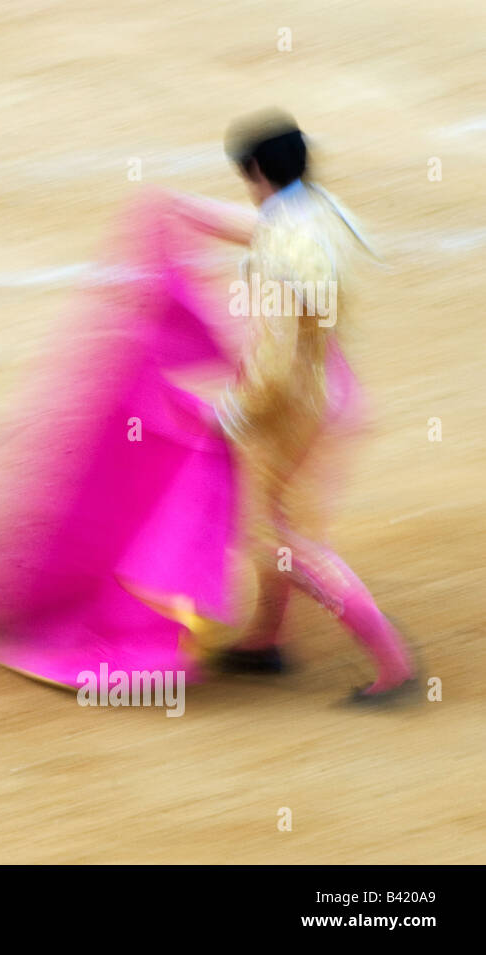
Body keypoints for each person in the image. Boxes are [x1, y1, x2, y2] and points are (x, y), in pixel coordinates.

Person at [178, 111, 416, 700]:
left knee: (279, 539)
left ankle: (394, 667)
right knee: (277, 521)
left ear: (255, 170)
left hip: (300, 404)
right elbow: (265, 225)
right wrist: (185, 211)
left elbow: (277, 365)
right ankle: (266, 641)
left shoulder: (285, 248)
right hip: (334, 393)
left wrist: (227, 416)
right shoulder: (316, 208)